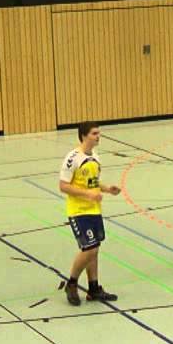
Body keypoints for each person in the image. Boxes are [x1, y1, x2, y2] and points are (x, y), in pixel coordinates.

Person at [57, 121, 120, 306]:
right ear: (84, 136)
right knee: (89, 248)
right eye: (94, 133)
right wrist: (88, 195)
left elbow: (92, 182)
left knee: (95, 249)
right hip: (79, 211)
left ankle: (93, 288)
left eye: (98, 133)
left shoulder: (95, 157)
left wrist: (107, 189)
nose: (98, 136)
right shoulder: (73, 158)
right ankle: (72, 283)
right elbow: (63, 186)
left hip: (94, 210)